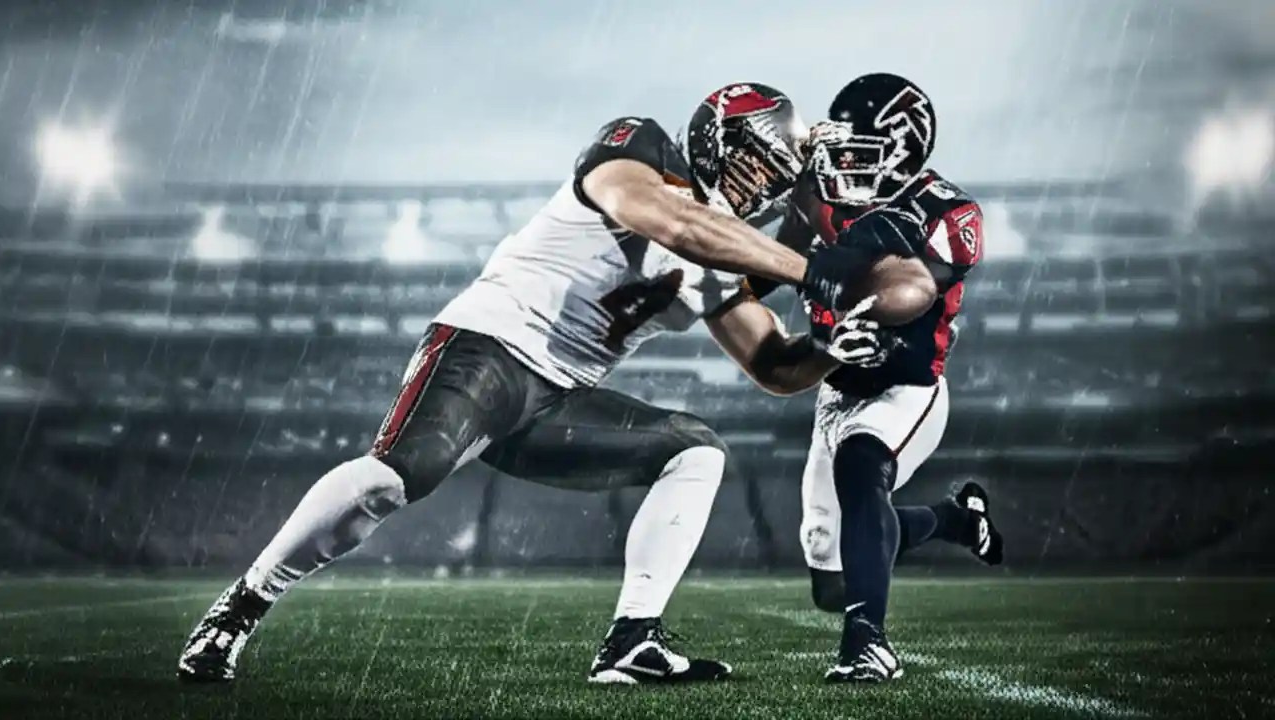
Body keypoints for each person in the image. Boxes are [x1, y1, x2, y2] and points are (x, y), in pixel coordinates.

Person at [176, 82, 884, 686]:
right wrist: (813, 270)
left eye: (775, 180)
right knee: (392, 480)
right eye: (757, 165)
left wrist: (829, 349)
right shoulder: (642, 150)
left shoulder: (726, 257)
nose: (760, 188)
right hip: (487, 347)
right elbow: (672, 221)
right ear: (716, 139)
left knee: (696, 452)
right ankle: (240, 607)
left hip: (560, 398)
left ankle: (631, 642)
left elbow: (773, 367)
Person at [758, 73, 1004, 683]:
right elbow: (770, 271)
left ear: (900, 151)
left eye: (858, 150)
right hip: (835, 384)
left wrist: (831, 249)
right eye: (839, 147)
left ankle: (867, 645)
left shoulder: (949, 212)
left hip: (904, 386)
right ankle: (951, 520)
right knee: (827, 581)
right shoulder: (825, 189)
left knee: (862, 465)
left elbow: (906, 295)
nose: (841, 161)